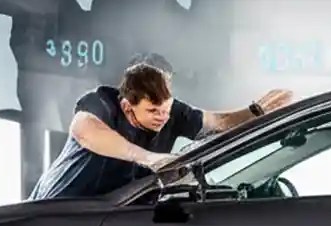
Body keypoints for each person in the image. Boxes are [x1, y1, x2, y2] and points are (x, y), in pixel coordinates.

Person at [29, 63, 292, 199]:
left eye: (165, 109)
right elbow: (84, 131)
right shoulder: (102, 103)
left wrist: (257, 110)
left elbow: (218, 122)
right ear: (127, 106)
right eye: (153, 111)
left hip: (105, 215)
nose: (162, 117)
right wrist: (148, 158)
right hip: (55, 205)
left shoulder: (172, 113)